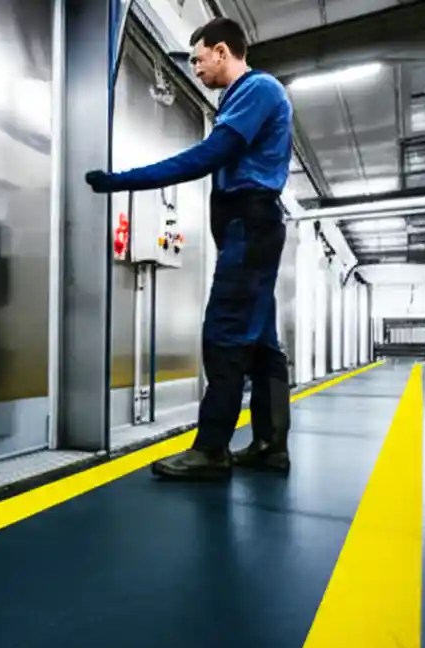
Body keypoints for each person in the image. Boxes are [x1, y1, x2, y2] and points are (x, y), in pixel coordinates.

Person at [86, 17, 293, 480]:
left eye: (198, 59)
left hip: (250, 228)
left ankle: (211, 450)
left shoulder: (258, 89)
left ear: (222, 51)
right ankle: (269, 446)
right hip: (252, 230)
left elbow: (205, 157)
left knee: (223, 335)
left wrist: (122, 181)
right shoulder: (240, 98)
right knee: (261, 343)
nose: (195, 69)